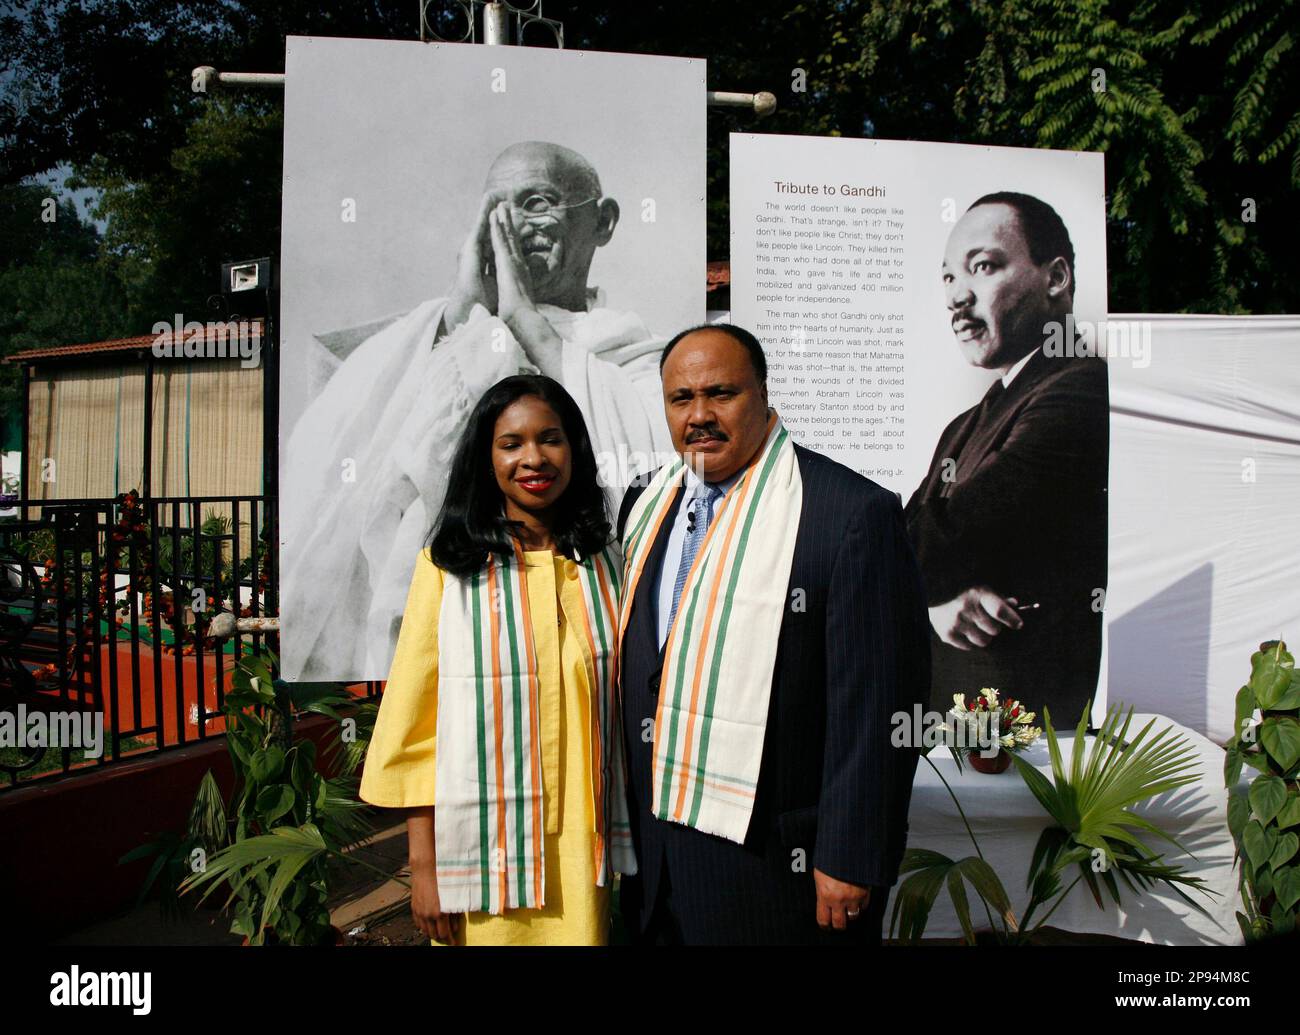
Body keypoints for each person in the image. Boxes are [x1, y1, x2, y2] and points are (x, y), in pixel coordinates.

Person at [281, 140, 672, 682]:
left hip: (579, 613)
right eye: (499, 209)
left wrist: (523, 320)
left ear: (602, 222)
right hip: (457, 608)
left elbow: (644, 461)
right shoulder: (440, 332)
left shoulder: (631, 349)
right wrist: (465, 310)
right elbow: (364, 451)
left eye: (538, 202)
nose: (515, 225)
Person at [614, 323, 930, 945]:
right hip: (656, 859)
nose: (700, 415)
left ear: (762, 393)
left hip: (773, 869)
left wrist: (849, 856)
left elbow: (879, 707)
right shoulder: (645, 505)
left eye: (721, 393)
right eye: (682, 399)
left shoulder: (847, 514)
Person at [358, 375, 636, 945]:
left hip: (586, 856)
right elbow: (415, 731)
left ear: (575, 450)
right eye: (511, 444)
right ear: (486, 459)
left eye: (550, 439)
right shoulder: (448, 571)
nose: (533, 458)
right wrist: (426, 870)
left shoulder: (606, 565)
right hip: (480, 864)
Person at [904, 192, 1109, 726]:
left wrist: (932, 567)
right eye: (948, 278)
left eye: (984, 267)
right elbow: (922, 540)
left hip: (1038, 735)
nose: (956, 298)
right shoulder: (966, 423)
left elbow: (941, 536)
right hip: (961, 720)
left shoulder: (1082, 389)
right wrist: (937, 601)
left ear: (1056, 278)